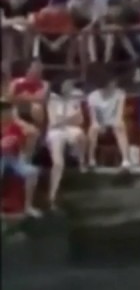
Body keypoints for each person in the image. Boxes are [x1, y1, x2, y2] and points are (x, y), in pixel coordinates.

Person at [45, 79, 86, 208]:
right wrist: (70, 119)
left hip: (70, 129)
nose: (70, 87)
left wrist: (65, 121)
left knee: (81, 136)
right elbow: (53, 122)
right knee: (58, 163)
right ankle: (52, 195)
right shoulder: (52, 99)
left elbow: (80, 120)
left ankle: (81, 161)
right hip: (55, 132)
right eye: (67, 84)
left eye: (71, 85)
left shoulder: (75, 98)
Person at [1, 101, 41, 218]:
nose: (7, 115)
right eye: (5, 112)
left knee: (33, 172)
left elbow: (34, 132)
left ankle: (28, 206)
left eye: (10, 112)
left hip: (14, 158)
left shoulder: (16, 126)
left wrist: (18, 120)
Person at [86, 73, 131, 168]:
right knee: (93, 129)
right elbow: (93, 117)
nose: (113, 84)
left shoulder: (120, 93)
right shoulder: (92, 96)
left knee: (120, 126)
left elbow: (120, 112)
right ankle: (91, 159)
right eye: (111, 83)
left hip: (113, 120)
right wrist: (97, 124)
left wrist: (117, 121)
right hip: (100, 122)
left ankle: (126, 160)